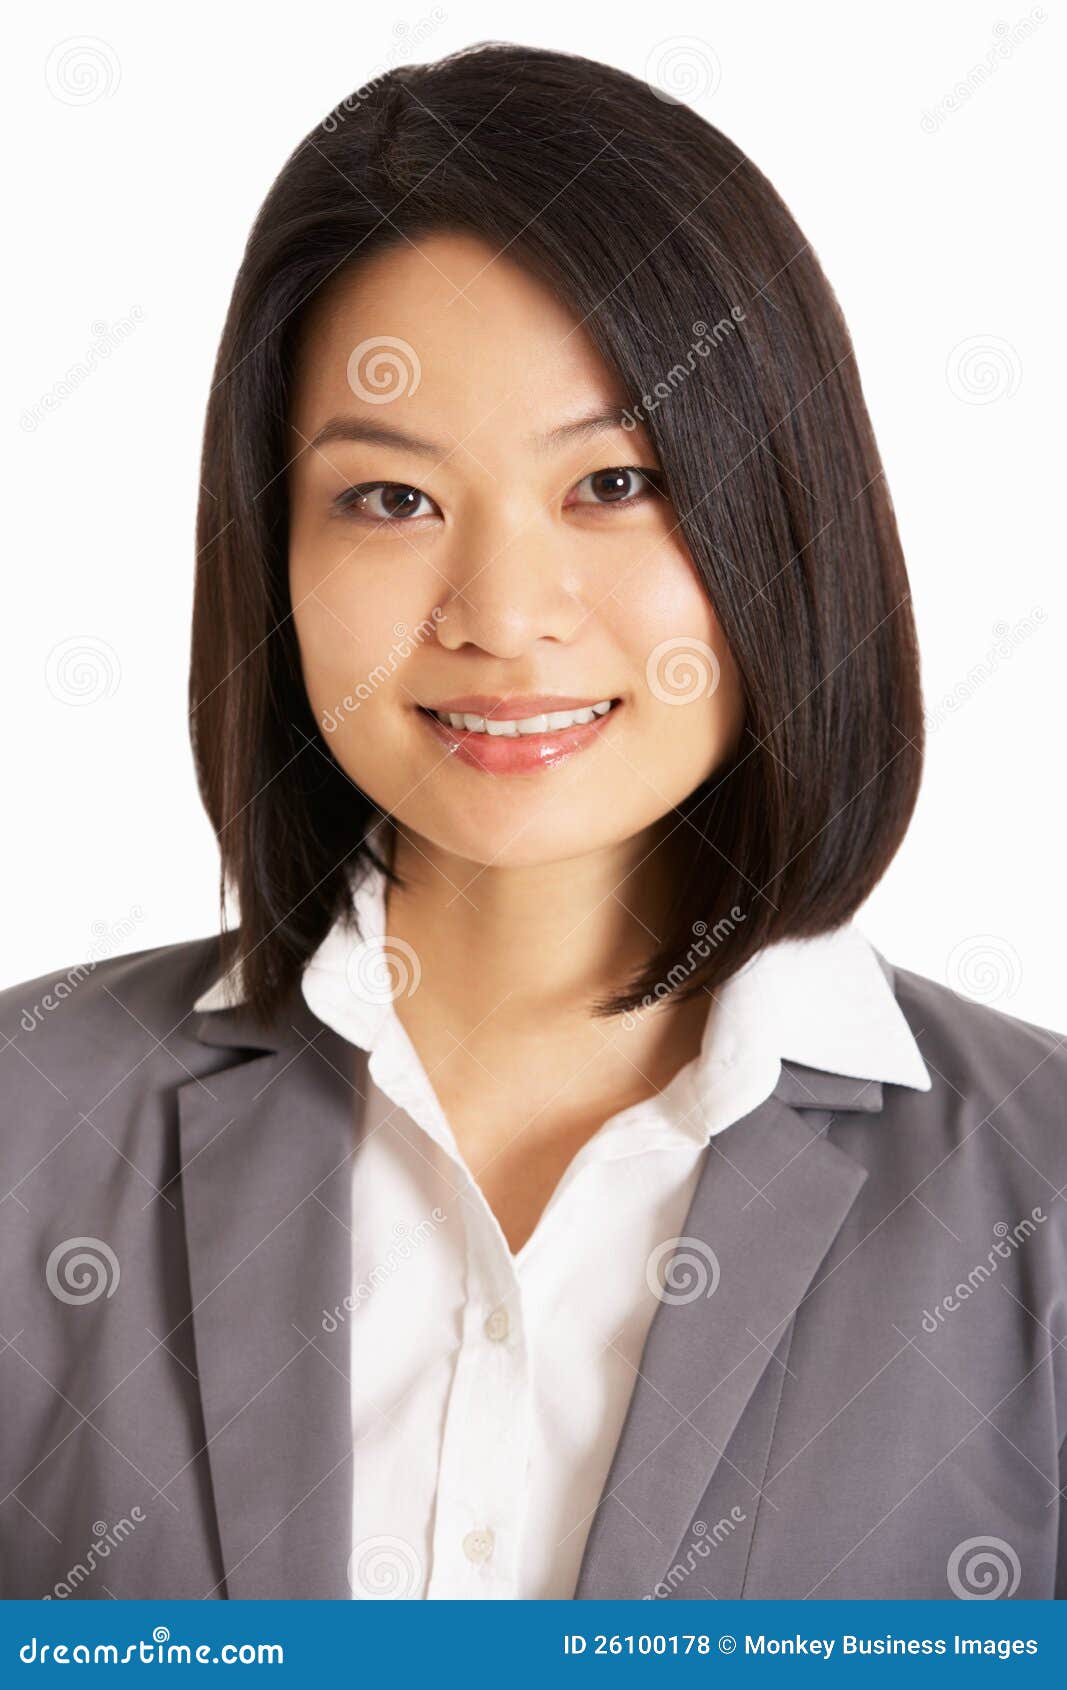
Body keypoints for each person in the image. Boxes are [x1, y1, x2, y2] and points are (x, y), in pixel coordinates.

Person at [2, 42, 1064, 1603]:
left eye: (615, 481)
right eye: (391, 498)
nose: (503, 617)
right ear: (271, 549)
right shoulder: (27, 1132)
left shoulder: (1035, 1192)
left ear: (782, 504)